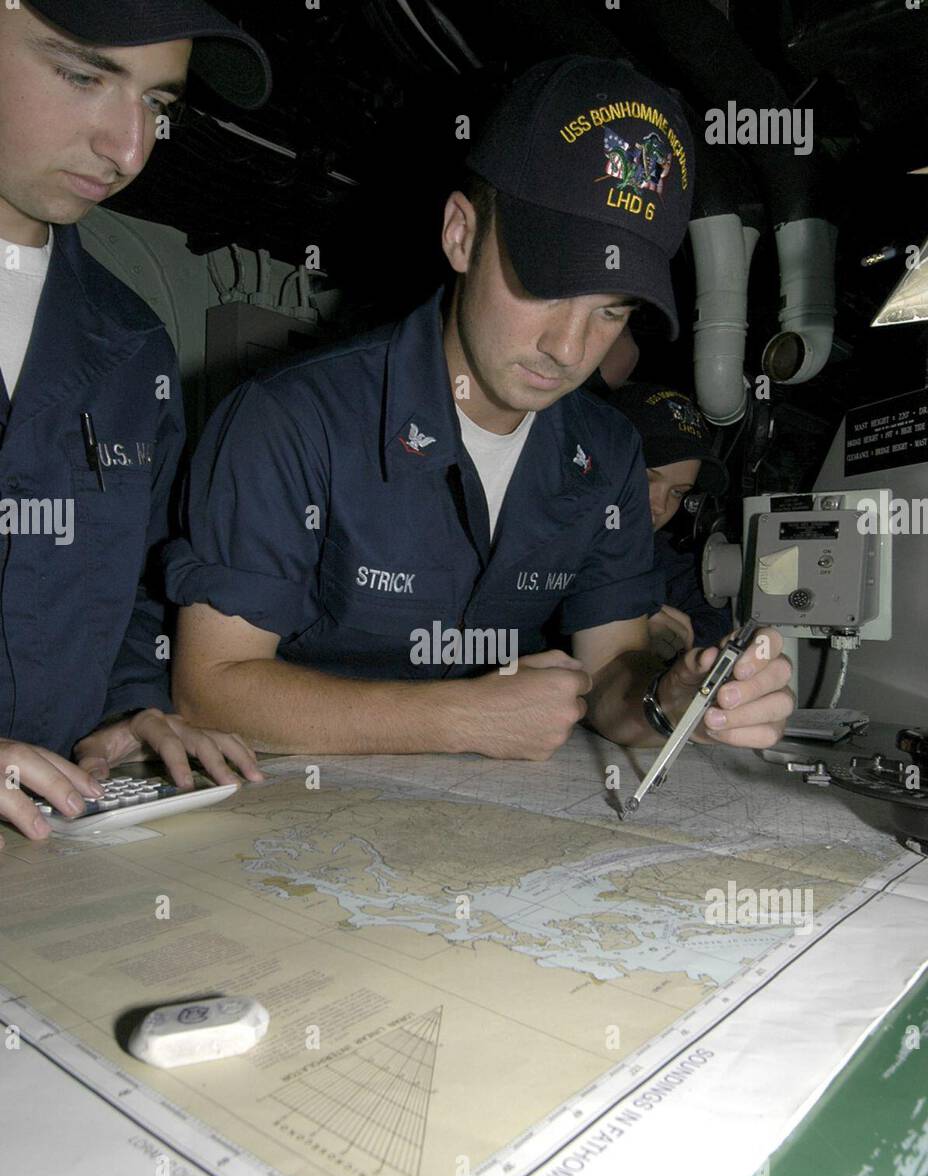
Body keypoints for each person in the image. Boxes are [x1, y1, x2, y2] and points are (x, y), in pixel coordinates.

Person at [167, 55, 793, 760]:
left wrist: (675, 698)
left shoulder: (610, 453)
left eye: (610, 312)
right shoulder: (287, 421)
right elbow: (209, 690)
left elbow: (614, 677)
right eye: (542, 287)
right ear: (461, 234)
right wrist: (457, 718)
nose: (567, 348)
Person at [0, 0, 272, 848]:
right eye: (84, 75)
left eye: (160, 105)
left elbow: (135, 593)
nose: (128, 149)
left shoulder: (132, 347)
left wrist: (132, 707)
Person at [595, 382, 734, 658]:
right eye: (644, 479)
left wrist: (678, 643)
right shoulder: (530, 538)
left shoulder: (663, 557)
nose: (658, 506)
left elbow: (714, 618)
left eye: (678, 492)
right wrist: (624, 623)